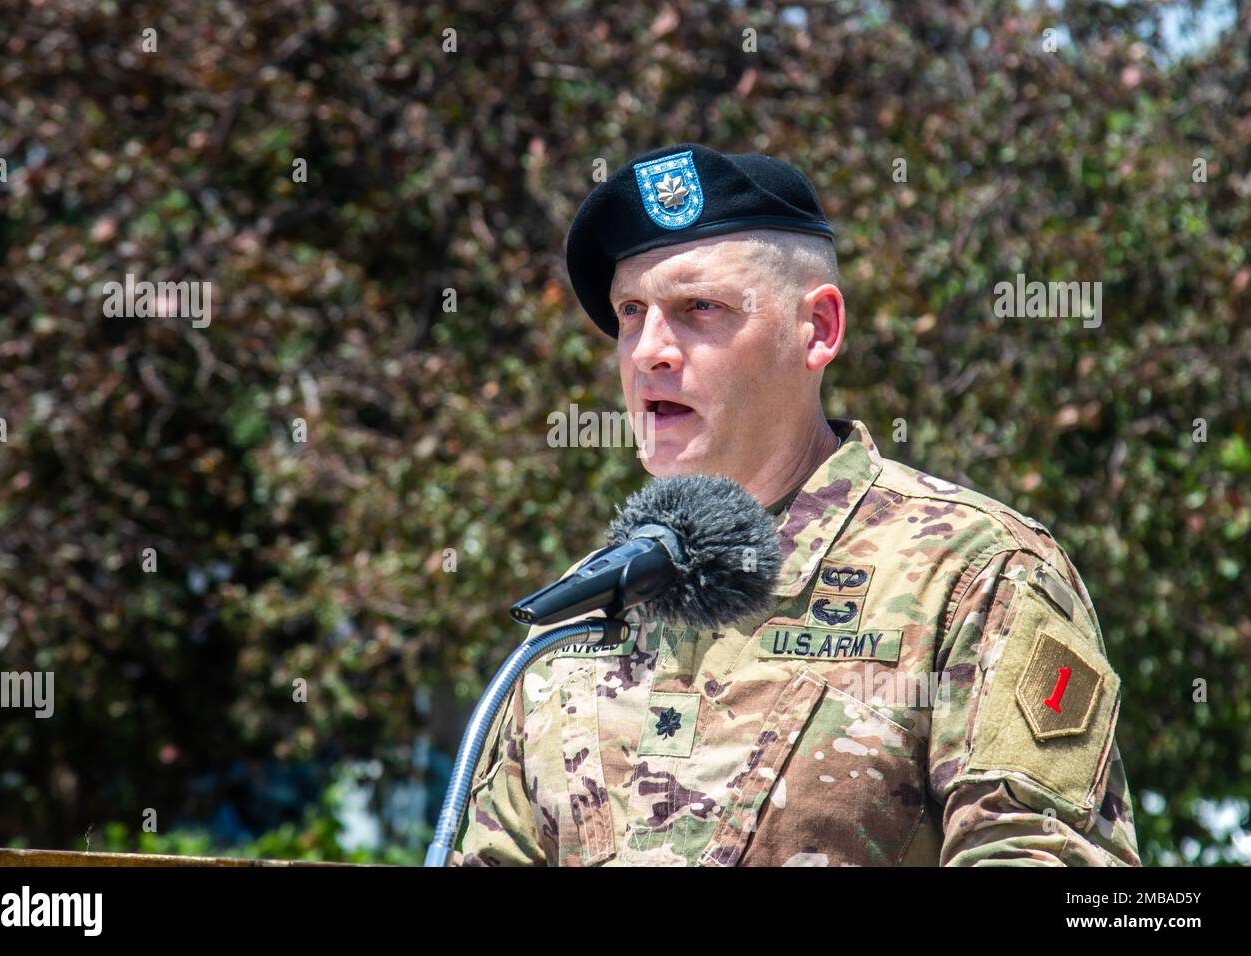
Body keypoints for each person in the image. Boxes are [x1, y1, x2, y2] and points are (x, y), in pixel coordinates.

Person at [450, 143, 1140, 866]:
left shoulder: (975, 572)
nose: (649, 350)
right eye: (631, 311)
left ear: (819, 329)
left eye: (699, 308)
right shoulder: (583, 611)